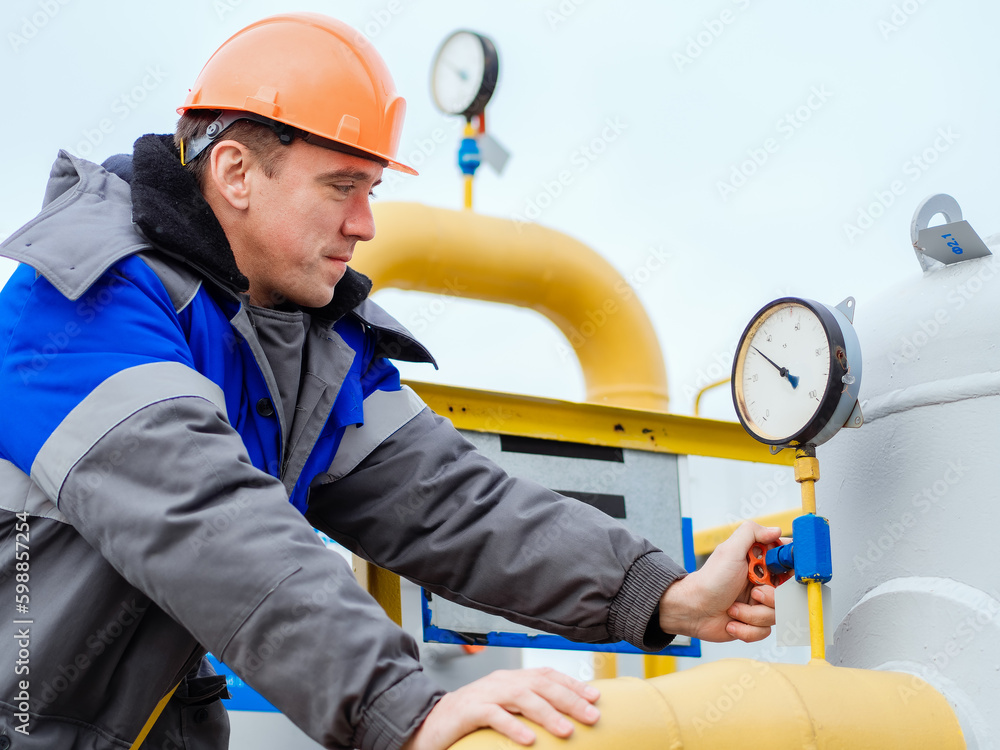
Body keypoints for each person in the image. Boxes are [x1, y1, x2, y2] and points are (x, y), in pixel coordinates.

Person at [0, 13, 778, 750]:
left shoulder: (307, 346)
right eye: (342, 187)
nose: (365, 224)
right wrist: (401, 707)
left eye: (373, 190)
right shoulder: (83, 297)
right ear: (236, 171)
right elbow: (201, 516)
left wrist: (663, 594)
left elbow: (454, 504)